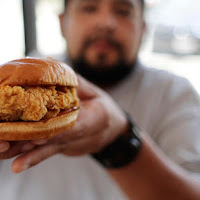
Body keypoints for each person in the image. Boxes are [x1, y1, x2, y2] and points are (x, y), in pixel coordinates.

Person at [0, 0, 200, 199]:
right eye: (89, 8)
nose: (105, 22)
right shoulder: (24, 70)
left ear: (143, 28)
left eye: (123, 11)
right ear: (62, 22)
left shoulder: (175, 94)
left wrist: (119, 139)